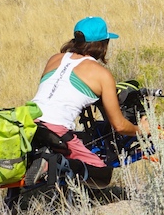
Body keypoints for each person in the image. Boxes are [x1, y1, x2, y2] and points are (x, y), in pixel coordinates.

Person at [22, 16, 140, 195]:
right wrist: (143, 130)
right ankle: (55, 163)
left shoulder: (55, 58)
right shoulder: (101, 74)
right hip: (55, 128)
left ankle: (46, 161)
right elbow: (120, 126)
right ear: (103, 44)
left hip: (28, 119)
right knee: (102, 176)